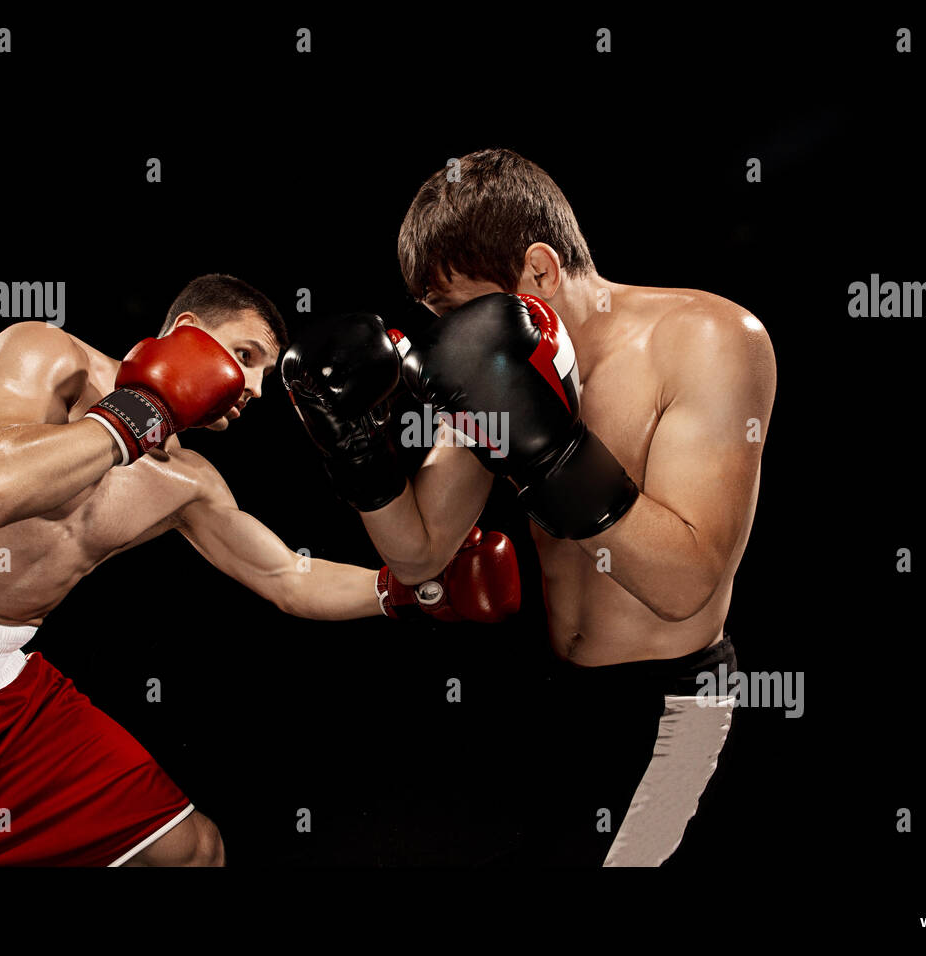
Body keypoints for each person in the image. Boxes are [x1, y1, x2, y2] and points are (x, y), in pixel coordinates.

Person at [0, 273, 519, 867]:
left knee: (189, 851)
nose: (252, 387)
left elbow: (287, 580)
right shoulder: (42, 354)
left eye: (265, 375)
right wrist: (138, 410)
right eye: (243, 355)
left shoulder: (188, 482)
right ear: (183, 332)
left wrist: (407, 591)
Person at [284, 149, 776, 865]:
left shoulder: (710, 340)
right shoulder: (492, 364)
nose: (449, 337)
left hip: (679, 706)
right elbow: (419, 553)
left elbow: (685, 585)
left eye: (460, 311)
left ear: (540, 271)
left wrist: (548, 451)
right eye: (437, 318)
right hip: (555, 697)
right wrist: (355, 455)